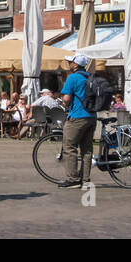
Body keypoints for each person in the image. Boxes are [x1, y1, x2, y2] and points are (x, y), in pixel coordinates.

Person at [57, 54, 95, 189]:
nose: (69, 63)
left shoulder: (73, 77)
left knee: (69, 147)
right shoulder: (91, 77)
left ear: (76, 64)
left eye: (71, 62)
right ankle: (85, 179)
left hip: (77, 116)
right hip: (92, 117)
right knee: (87, 150)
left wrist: (65, 104)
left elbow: (66, 99)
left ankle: (73, 179)